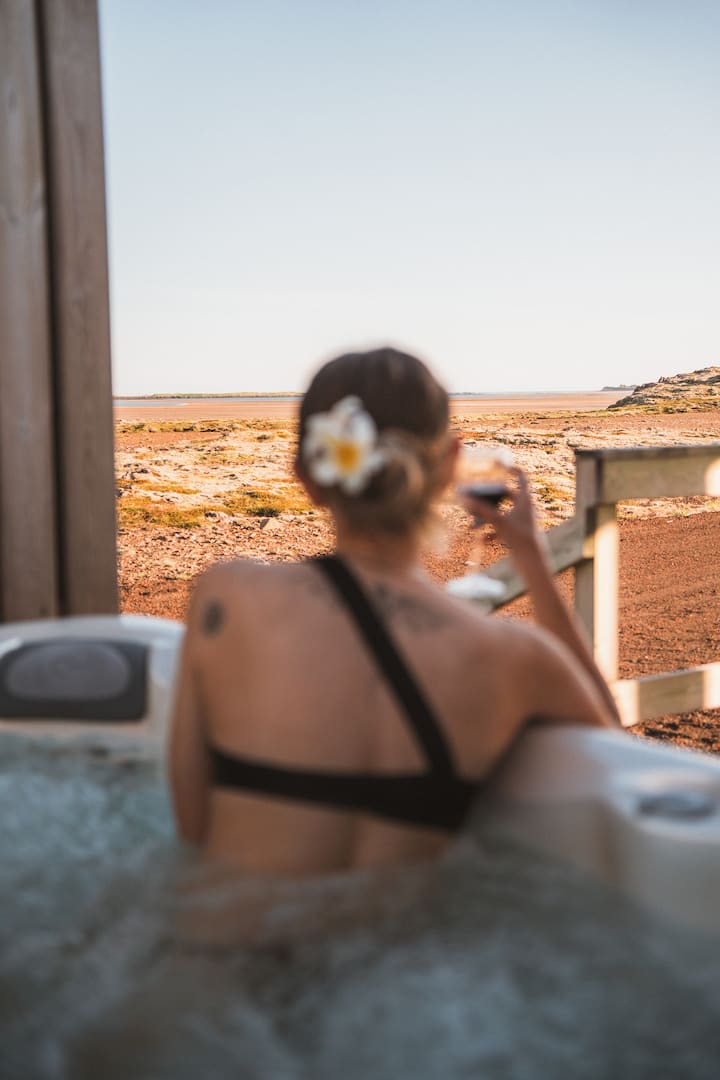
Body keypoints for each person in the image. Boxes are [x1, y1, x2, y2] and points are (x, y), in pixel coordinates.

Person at [169, 347, 618, 876]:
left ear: (306, 476)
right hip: (401, 954)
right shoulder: (509, 657)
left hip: (220, 950)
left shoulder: (227, 598)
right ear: (449, 465)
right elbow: (612, 757)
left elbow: (193, 829)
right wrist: (533, 562)